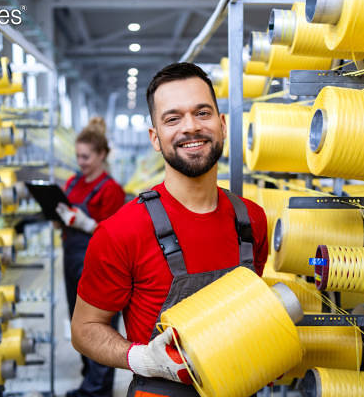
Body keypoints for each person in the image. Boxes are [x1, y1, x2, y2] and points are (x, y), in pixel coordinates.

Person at [70, 63, 268, 396]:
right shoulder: (122, 231)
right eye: (172, 119)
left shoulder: (251, 220)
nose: (191, 127)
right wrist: (141, 357)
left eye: (202, 113)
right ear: (156, 139)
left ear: (222, 125)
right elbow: (84, 329)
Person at [56, 123, 126, 397]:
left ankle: (99, 389)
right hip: (72, 257)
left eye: (85, 156)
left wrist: (86, 223)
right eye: (78, 156)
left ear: (101, 155)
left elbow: (116, 235)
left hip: (99, 263)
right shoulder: (73, 182)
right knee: (79, 323)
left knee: (99, 324)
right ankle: (89, 383)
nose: (80, 162)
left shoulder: (112, 191)